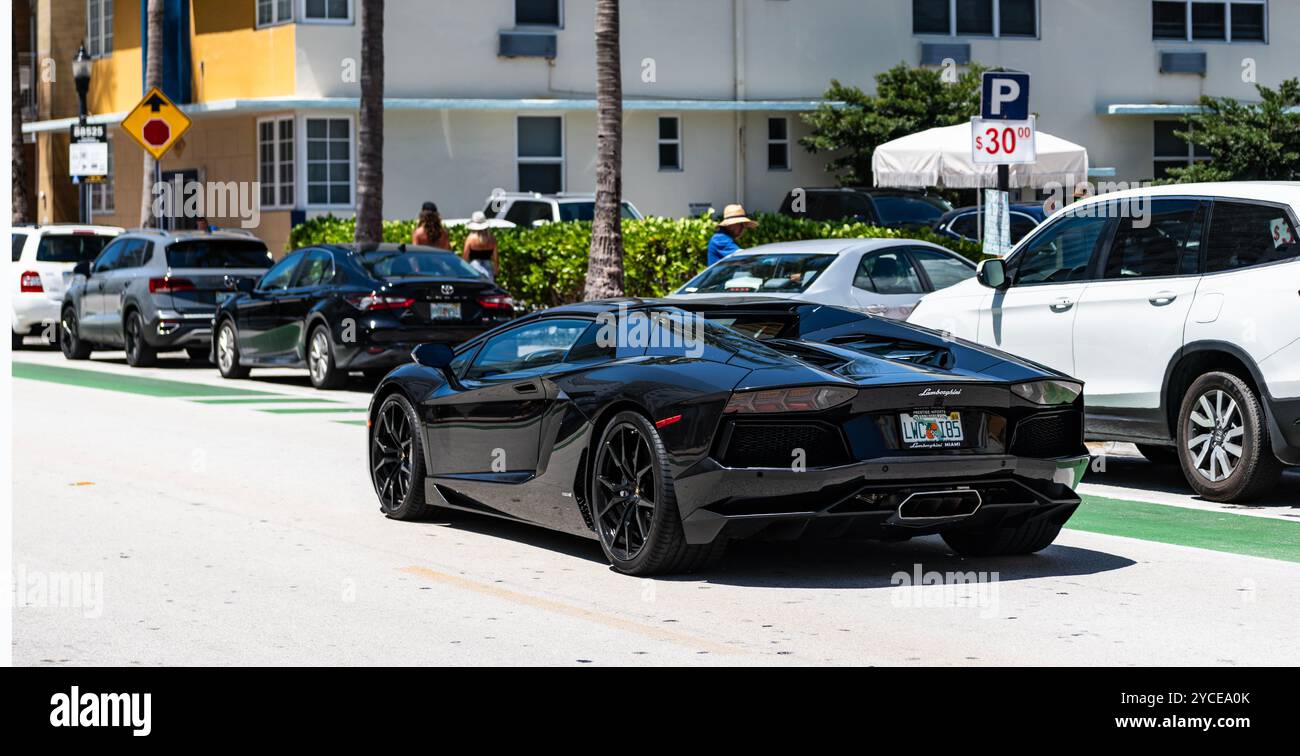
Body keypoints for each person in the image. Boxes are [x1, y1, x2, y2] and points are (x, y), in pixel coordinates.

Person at [462, 212, 499, 281]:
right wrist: (496, 270)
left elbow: (465, 257)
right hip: (488, 268)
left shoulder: (470, 239)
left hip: (474, 268)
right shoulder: (492, 239)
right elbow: (495, 258)